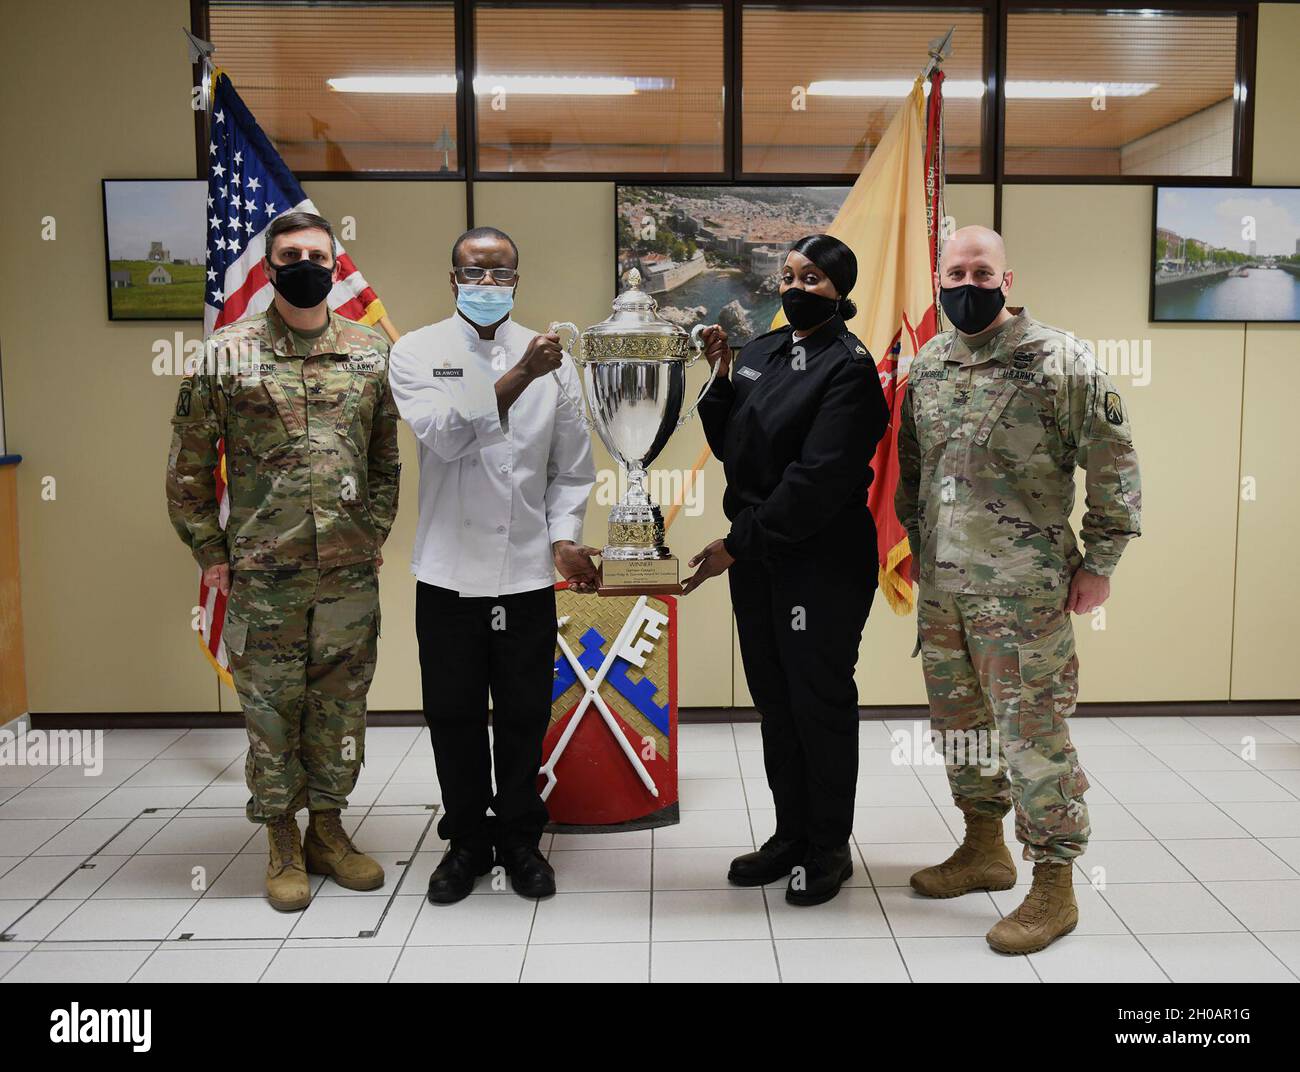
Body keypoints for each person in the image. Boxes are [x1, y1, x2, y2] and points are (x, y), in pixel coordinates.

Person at [896, 225, 1142, 954]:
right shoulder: (932, 363)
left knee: (1033, 737)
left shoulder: (1058, 361)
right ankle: (983, 848)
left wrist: (1100, 561)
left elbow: (1114, 466)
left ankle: (1055, 885)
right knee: (963, 729)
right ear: (939, 280)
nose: (967, 285)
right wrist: (918, 545)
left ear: (1007, 281)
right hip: (946, 588)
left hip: (1023, 593)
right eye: (955, 272)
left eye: (982, 272)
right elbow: (914, 470)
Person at [166, 210, 400, 912]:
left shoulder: (368, 352)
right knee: (271, 714)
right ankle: (281, 840)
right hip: (264, 576)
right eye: (291, 253)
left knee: (341, 709)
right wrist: (211, 551)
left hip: (349, 577)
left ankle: (328, 830)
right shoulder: (225, 353)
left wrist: (370, 529)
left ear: (335, 264)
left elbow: (385, 458)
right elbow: (187, 469)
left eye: (318, 254)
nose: (306, 263)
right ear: (269, 267)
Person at [388, 226, 597, 905]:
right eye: (473, 274)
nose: (486, 286)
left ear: (517, 278)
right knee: (452, 713)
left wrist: (565, 536)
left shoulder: (554, 358)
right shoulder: (417, 351)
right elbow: (447, 438)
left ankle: (518, 839)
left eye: (499, 274)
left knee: (523, 713)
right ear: (452, 280)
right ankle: (466, 844)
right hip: (448, 572)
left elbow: (572, 469)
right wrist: (518, 376)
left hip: (526, 574)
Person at [685, 234, 890, 906]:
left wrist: (737, 545)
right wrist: (720, 374)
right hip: (760, 556)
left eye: (814, 279)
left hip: (819, 560)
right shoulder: (764, 350)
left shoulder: (850, 369)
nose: (797, 287)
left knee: (818, 702)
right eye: (790, 276)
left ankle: (828, 846)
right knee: (775, 700)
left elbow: (817, 481)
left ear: (840, 290)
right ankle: (788, 835)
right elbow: (731, 444)